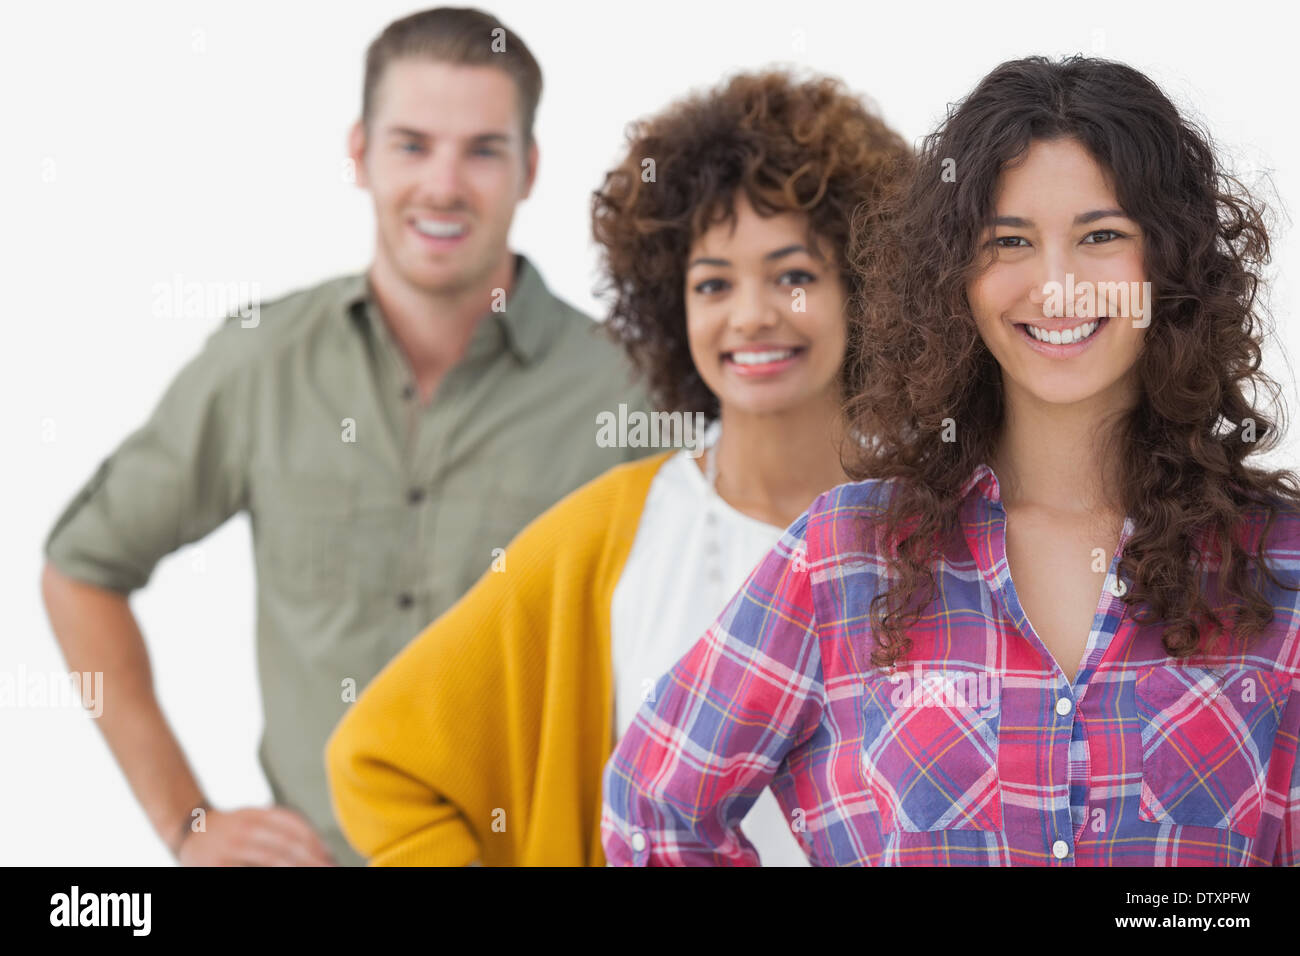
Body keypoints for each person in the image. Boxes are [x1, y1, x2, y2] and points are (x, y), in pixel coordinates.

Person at [602, 54, 1300, 866]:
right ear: (956, 279)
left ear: (1170, 265)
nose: (1058, 284)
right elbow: (654, 808)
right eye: (1009, 241)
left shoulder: (1280, 566)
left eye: (1101, 236)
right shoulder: (845, 556)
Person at [39, 6, 653, 867]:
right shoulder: (261, 362)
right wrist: (190, 822)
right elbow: (81, 571)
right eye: (412, 145)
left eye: (482, 149)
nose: (443, 185)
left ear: (529, 169)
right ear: (359, 155)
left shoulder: (628, 391)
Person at [325, 69, 912, 865]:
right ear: (674, 306)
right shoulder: (608, 537)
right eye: (713, 283)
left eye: (795, 275)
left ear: (866, 288)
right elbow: (378, 760)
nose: (751, 314)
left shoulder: (945, 528)